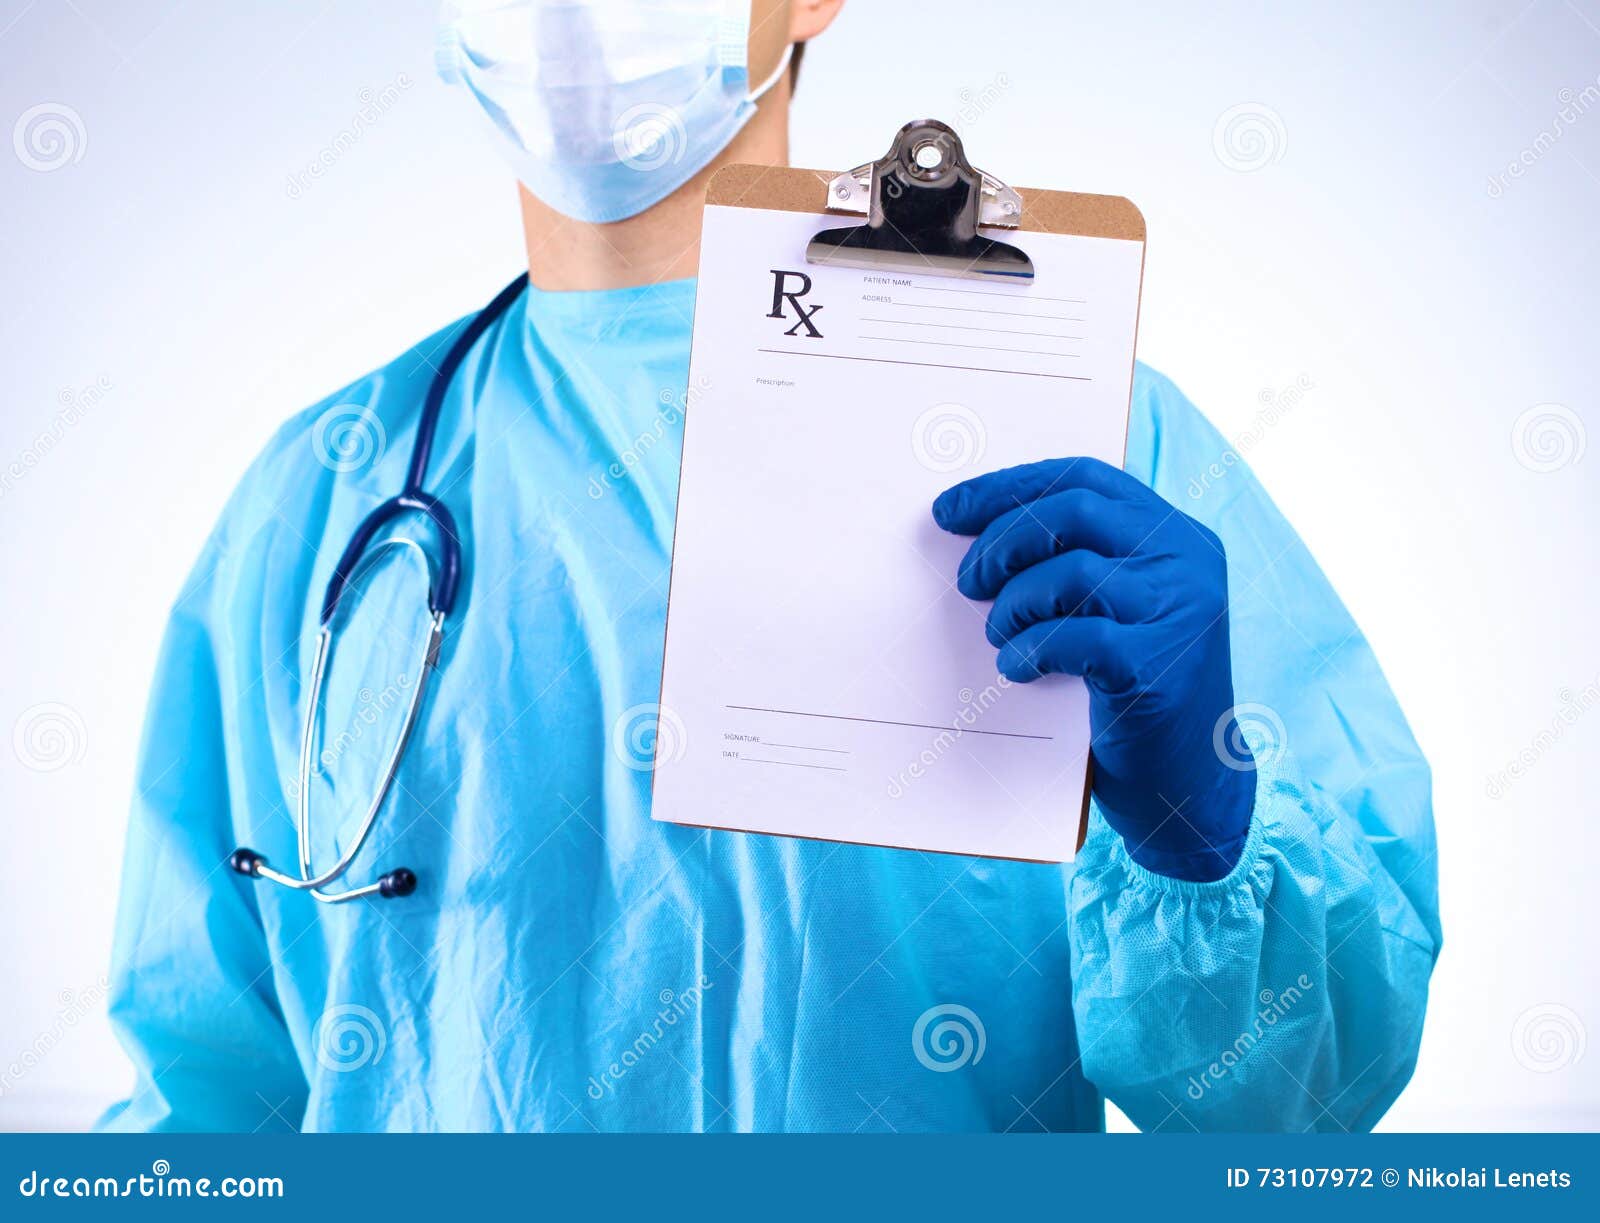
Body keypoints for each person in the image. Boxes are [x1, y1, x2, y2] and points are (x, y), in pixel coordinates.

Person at [99, 0, 1439, 1133]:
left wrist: (1198, 826)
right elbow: (209, 1107)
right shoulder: (320, 503)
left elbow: (1305, 1101)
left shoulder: (1085, 446)